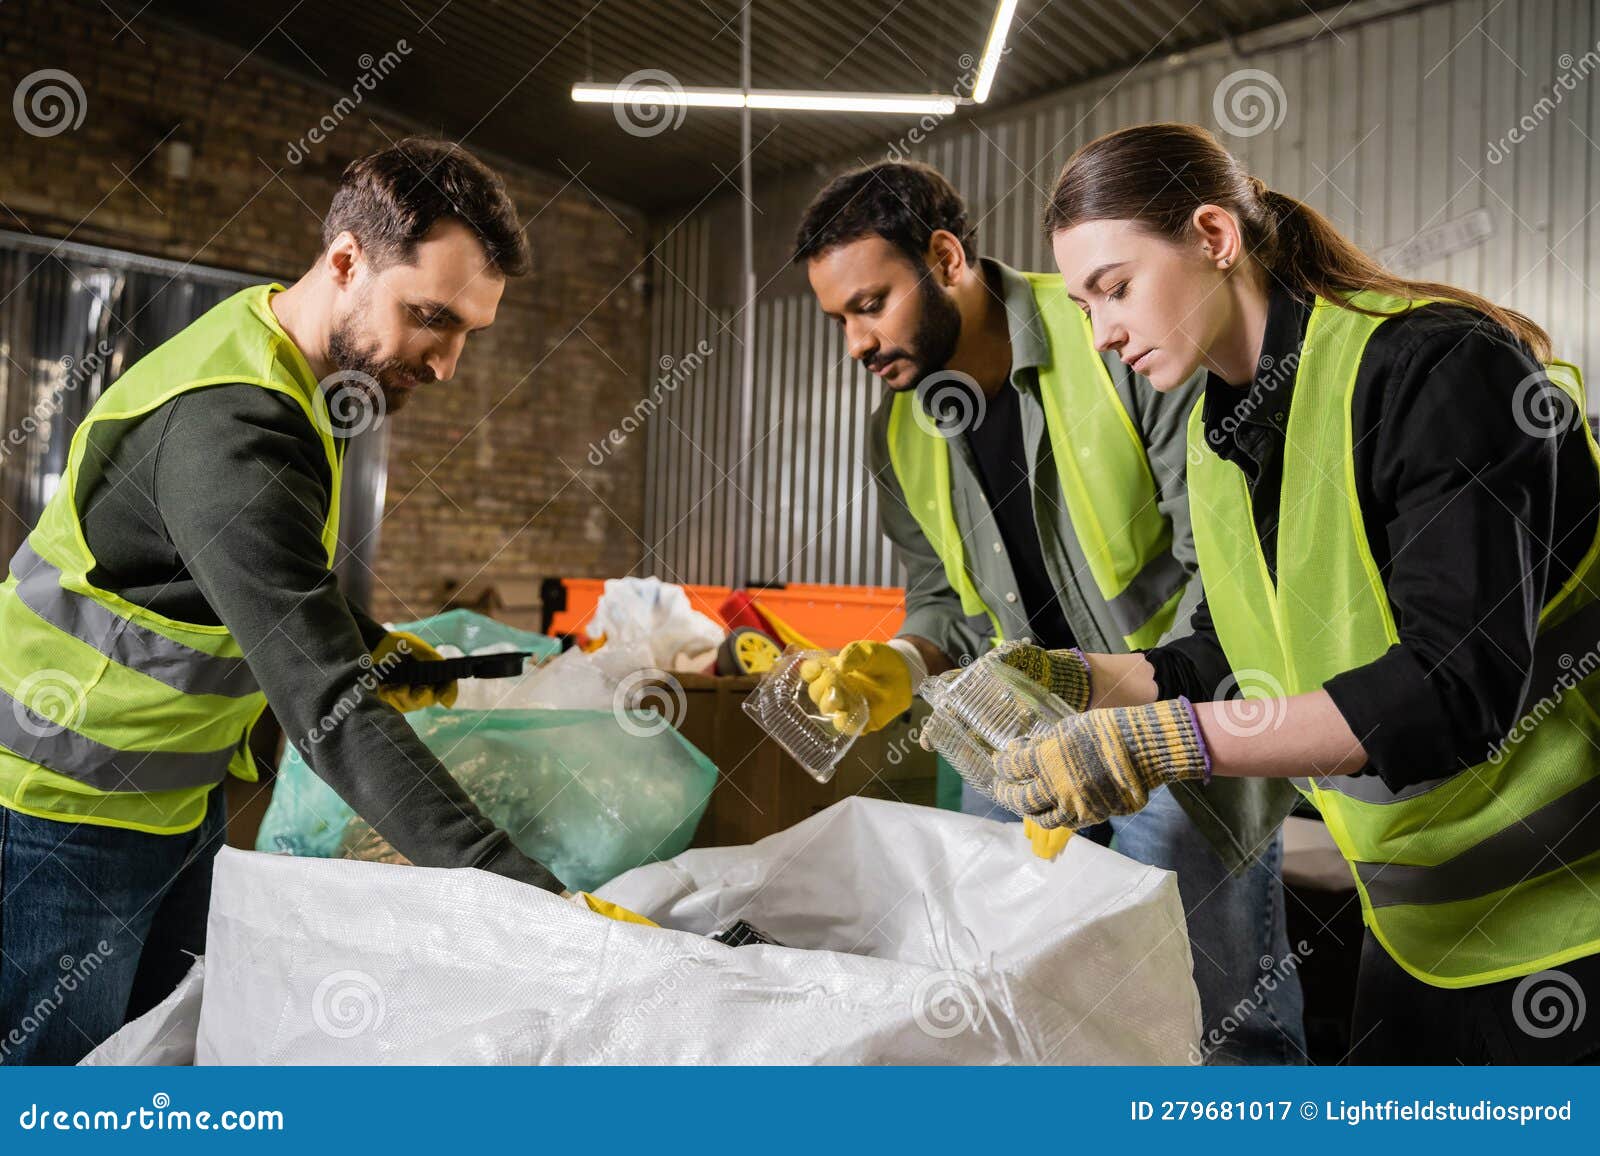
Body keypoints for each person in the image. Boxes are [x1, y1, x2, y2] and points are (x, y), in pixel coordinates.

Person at [0, 140, 634, 1066]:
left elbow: (240, 578)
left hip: (170, 799)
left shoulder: (294, 370)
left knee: (145, 1078)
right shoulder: (231, 425)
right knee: (47, 1101)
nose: (448, 364)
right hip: (57, 814)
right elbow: (326, 705)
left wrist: (368, 644)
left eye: (469, 331)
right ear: (345, 261)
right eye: (430, 318)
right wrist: (528, 899)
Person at [1004, 121, 1600, 1063]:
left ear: (1214, 235)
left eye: (1115, 288)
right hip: (1420, 932)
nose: (1103, 333)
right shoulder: (1217, 436)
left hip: (1569, 924)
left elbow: (1451, 687)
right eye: (1082, 307)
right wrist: (1079, 680)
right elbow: (1239, 653)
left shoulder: (1437, 367)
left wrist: (1165, 743)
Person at [792, 161, 1304, 1064]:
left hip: (1174, 716)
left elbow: (1225, 572)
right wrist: (900, 663)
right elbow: (943, 603)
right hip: (1015, 728)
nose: (856, 343)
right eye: (839, 319)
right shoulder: (897, 432)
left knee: (1212, 1015)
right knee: (1013, 994)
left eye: (871, 304)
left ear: (945, 258)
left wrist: (1142, 714)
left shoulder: (1118, 341)